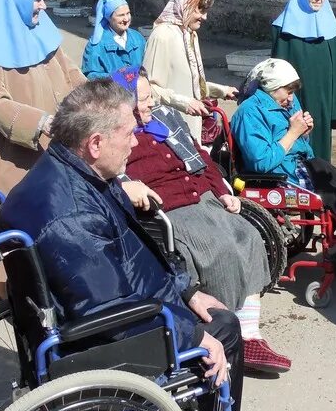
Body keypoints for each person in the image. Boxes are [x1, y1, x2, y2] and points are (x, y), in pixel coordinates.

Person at [0, 80, 242, 411]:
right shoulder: (74, 215)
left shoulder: (70, 170)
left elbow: (133, 253)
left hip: (115, 302)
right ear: (95, 143)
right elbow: (110, 314)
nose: (135, 141)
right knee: (225, 328)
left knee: (208, 311)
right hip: (101, 340)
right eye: (128, 133)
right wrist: (193, 337)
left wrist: (186, 291)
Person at [117, 66, 290, 373]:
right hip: (170, 208)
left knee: (248, 235)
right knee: (218, 249)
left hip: (203, 197)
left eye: (148, 97)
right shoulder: (120, 135)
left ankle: (248, 332)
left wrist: (222, 190)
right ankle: (225, 329)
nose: (148, 103)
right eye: (141, 99)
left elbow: (202, 158)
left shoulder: (165, 118)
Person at [231, 59, 336, 249]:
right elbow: (261, 162)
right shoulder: (250, 113)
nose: (292, 99)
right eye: (288, 92)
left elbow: (296, 145)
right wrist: (293, 133)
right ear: (272, 87)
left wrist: (303, 133)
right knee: (325, 175)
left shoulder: (285, 102)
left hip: (293, 164)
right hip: (275, 176)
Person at [143, 0, 237, 144]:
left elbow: (191, 85)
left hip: (192, 126)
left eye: (206, 11)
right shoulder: (163, 35)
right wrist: (184, 103)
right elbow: (149, 89)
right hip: (169, 130)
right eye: (200, 10)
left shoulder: (189, 34)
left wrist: (223, 90)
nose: (204, 17)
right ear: (184, 5)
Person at [270, 0, 336, 162]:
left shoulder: (331, 28)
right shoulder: (282, 29)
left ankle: (319, 172)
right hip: (295, 96)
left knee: (319, 141)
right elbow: (277, 68)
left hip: (322, 97)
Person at [81, 0, 147, 79]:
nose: (126, 19)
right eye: (121, 15)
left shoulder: (138, 38)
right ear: (108, 17)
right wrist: (118, 78)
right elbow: (90, 76)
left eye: (128, 13)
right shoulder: (96, 46)